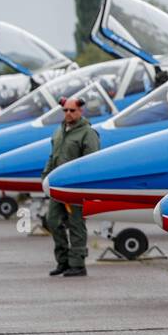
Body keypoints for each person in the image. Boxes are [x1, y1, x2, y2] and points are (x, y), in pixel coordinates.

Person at [42, 97, 101, 277]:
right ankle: (63, 261)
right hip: (58, 187)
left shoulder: (88, 133)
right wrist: (46, 177)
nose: (68, 113)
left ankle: (78, 263)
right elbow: (53, 157)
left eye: (72, 110)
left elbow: (92, 161)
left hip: (75, 188)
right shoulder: (59, 132)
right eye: (65, 110)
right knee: (52, 221)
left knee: (76, 224)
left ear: (80, 111)